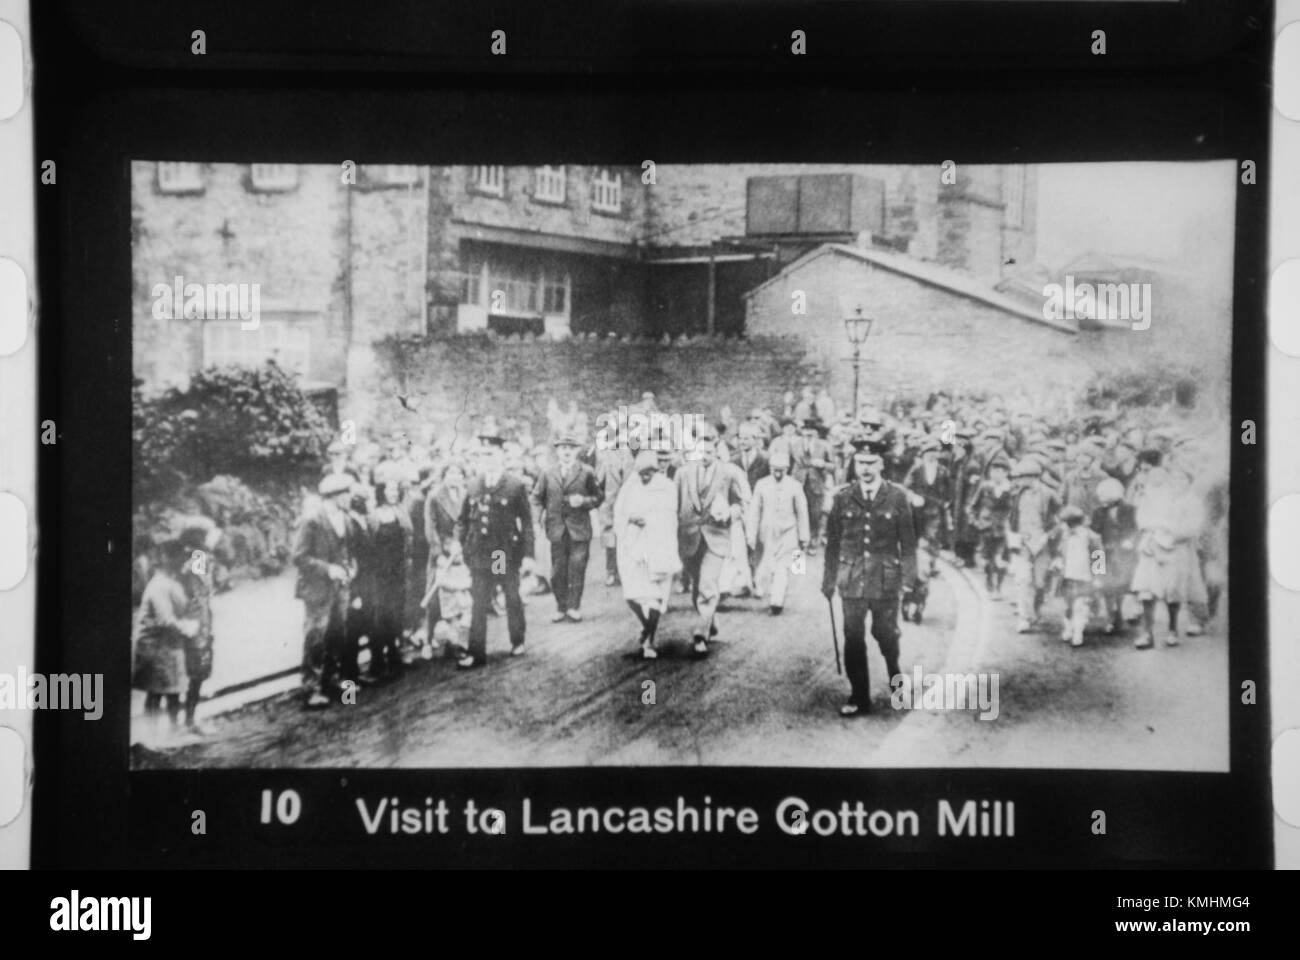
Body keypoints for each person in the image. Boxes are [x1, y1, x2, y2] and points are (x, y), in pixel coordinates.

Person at [821, 448, 916, 717]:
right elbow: (833, 544)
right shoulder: (842, 498)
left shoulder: (897, 497)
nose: (864, 468)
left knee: (886, 635)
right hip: (851, 580)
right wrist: (828, 580)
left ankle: (895, 675)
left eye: (871, 462)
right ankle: (859, 696)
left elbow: (907, 543)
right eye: (860, 462)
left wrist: (910, 580)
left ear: (881, 464)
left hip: (886, 580)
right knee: (853, 638)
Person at [454, 433, 534, 668]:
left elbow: (527, 522)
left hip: (502, 554)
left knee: (510, 596)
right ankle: (476, 653)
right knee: (478, 601)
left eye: (491, 454)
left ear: (501, 456)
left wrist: (529, 555)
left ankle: (517, 639)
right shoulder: (473, 484)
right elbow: (463, 520)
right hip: (479, 554)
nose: (487, 459)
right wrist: (461, 545)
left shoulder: (514, 485)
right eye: (483, 454)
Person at [293, 473, 364, 709]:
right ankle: (310, 689)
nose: (349, 498)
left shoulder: (346, 519)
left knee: (337, 636)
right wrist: (328, 569)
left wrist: (351, 568)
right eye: (345, 494)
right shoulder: (311, 520)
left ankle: (330, 681)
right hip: (317, 590)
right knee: (316, 638)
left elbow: (349, 551)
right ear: (334, 496)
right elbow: (299, 557)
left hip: (340, 589)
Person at [676, 433, 749, 657]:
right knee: (698, 584)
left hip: (716, 537)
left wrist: (729, 513)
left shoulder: (729, 472)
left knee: (708, 583)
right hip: (688, 537)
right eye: (700, 452)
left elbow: (742, 502)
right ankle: (710, 620)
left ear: (716, 451)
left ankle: (700, 634)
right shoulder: (683, 473)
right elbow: (675, 504)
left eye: (708, 452)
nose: (704, 456)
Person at [1130, 465, 1208, 649]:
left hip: (1176, 550)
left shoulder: (1193, 501)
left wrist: (1169, 530)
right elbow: (1144, 519)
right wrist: (1153, 529)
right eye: (1175, 478)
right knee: (1146, 590)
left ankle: (1172, 630)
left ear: (1189, 482)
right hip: (1152, 547)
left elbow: (1192, 528)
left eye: (1183, 479)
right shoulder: (1158, 497)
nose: (1177, 482)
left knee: (1172, 592)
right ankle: (1146, 633)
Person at [614, 450, 681, 659]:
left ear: (656, 471)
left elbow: (671, 516)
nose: (644, 477)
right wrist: (630, 520)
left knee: (655, 597)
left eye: (648, 473)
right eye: (641, 473)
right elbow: (619, 514)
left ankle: (649, 641)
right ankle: (646, 628)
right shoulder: (630, 487)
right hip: (633, 548)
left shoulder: (666, 487)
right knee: (632, 596)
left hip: (658, 547)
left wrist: (650, 521)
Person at [131, 538, 199, 743]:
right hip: (155, 647)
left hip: (169, 646)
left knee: (173, 689)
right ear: (166, 559)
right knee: (156, 692)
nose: (181, 561)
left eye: (182, 557)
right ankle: (151, 737)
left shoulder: (172, 580)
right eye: (176, 557)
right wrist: (186, 627)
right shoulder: (159, 584)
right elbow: (165, 620)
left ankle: (173, 729)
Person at [531, 435, 604, 623]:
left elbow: (598, 497)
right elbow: (537, 498)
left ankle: (573, 607)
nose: (566, 451)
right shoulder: (547, 473)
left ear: (577, 450)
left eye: (570, 448)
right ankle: (560, 606)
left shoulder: (586, 472)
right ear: (557, 450)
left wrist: (584, 501)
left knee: (577, 568)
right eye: (563, 447)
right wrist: (536, 518)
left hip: (579, 529)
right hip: (556, 529)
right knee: (557, 571)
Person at [362, 467, 412, 682]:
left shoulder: (401, 512)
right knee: (379, 618)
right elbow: (367, 547)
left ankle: (395, 657)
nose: (393, 493)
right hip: (378, 575)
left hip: (398, 573)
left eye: (395, 490)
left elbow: (408, 539)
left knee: (396, 614)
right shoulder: (373, 516)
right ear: (381, 491)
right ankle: (377, 663)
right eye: (389, 490)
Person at [746, 450, 809, 615]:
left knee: (784, 566)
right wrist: (751, 535)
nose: (778, 473)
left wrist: (804, 536)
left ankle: (776, 601)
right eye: (775, 469)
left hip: (789, 532)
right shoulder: (762, 484)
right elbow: (754, 511)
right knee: (768, 566)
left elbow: (802, 512)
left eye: (782, 469)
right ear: (770, 468)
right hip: (767, 533)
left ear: (787, 469)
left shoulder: (795, 485)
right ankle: (767, 591)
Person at [176, 517, 221, 736]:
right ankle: (187, 722)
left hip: (199, 623)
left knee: (196, 673)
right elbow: (198, 590)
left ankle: (187, 720)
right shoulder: (197, 556)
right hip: (195, 624)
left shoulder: (198, 556)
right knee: (194, 672)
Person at [1007, 457, 1059, 633]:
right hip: (1023, 542)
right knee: (1022, 580)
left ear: (1033, 477)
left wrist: (1048, 536)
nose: (1019, 481)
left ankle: (1035, 610)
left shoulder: (1049, 494)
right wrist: (1014, 537)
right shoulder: (1018, 494)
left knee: (1040, 582)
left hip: (1043, 542)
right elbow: (1012, 518)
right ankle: (1024, 617)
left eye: (1022, 477)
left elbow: (1059, 520)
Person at [1090, 477, 1138, 635]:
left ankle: (1119, 614)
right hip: (1102, 552)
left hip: (1122, 553)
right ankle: (1110, 616)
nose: (1101, 499)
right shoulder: (1098, 512)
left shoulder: (1130, 510)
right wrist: (1096, 554)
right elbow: (1094, 533)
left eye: (1105, 496)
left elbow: (1135, 530)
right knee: (1103, 585)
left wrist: (1129, 541)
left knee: (1121, 584)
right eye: (1100, 496)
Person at [1052, 506, 1103, 647]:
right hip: (1067, 575)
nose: (1064, 526)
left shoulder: (1091, 537)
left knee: (1080, 605)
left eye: (1066, 523)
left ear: (1072, 523)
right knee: (1068, 605)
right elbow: (1059, 552)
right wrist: (1057, 561)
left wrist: (1098, 577)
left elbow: (1098, 556)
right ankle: (1068, 628)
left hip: (1084, 576)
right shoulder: (1065, 536)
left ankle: (1078, 632)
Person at [966, 455, 1014, 598]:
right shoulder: (985, 486)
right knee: (987, 559)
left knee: (1001, 560)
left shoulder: (1011, 489)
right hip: (986, 527)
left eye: (1000, 471)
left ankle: (998, 587)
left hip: (1003, 528)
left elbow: (1015, 510)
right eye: (994, 470)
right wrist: (975, 521)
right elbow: (972, 506)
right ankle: (989, 583)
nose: (996, 474)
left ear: (1006, 473)